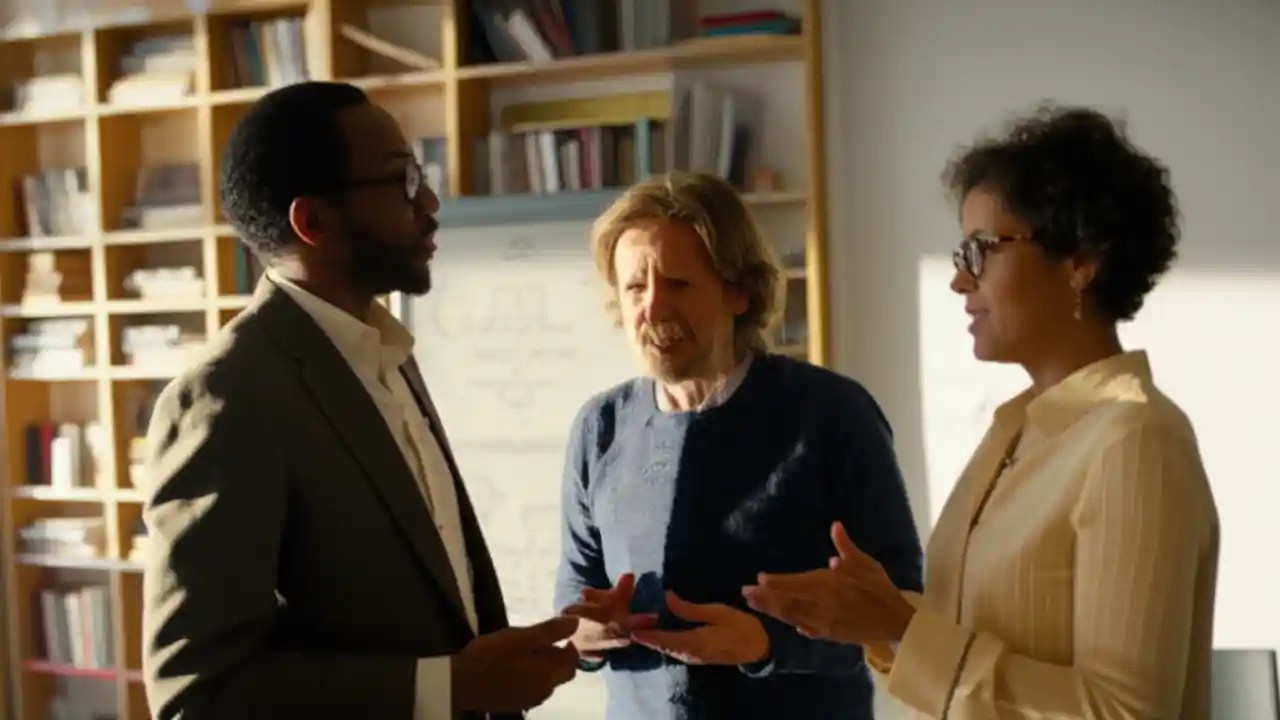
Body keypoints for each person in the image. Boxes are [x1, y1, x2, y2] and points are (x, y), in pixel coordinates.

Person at [743, 104, 1220, 719]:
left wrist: (903, 632)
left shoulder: (1135, 440)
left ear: (1080, 260)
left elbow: (1123, 711)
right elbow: (981, 643)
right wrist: (874, 616)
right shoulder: (1014, 433)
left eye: (981, 250)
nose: (960, 283)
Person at [140, 81, 579, 720]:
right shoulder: (229, 396)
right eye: (401, 181)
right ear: (313, 221)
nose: (429, 202)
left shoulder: (388, 353)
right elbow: (198, 694)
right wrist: (450, 688)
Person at [554, 171, 924, 720]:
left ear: (739, 290)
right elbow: (573, 603)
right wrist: (587, 632)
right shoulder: (599, 428)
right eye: (635, 287)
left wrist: (766, 644)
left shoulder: (831, 414)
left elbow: (901, 616)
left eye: (678, 283)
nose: (652, 309)